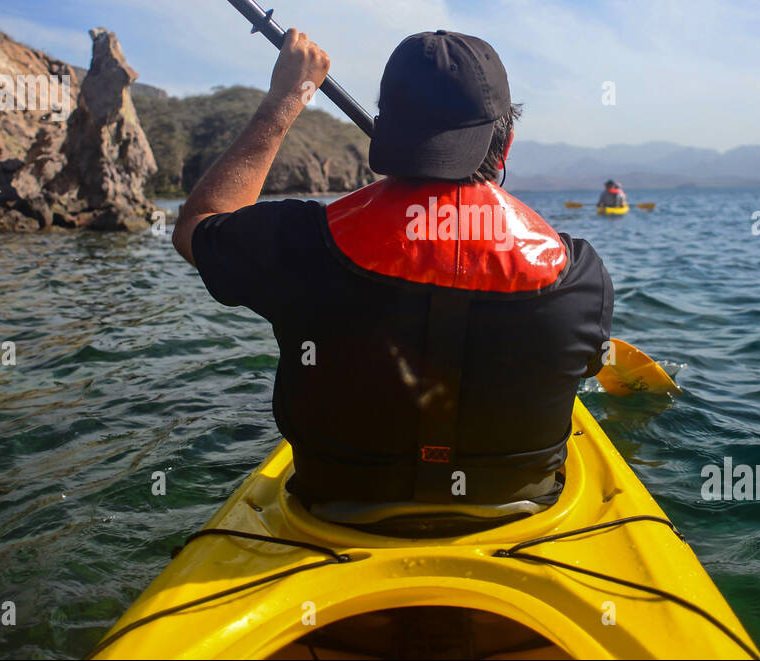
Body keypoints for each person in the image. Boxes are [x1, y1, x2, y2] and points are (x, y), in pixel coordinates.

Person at [172, 29, 614, 526]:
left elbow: (196, 226)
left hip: (331, 512)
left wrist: (285, 100)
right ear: (506, 143)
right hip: (524, 517)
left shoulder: (298, 243)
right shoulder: (580, 275)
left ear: (384, 139)